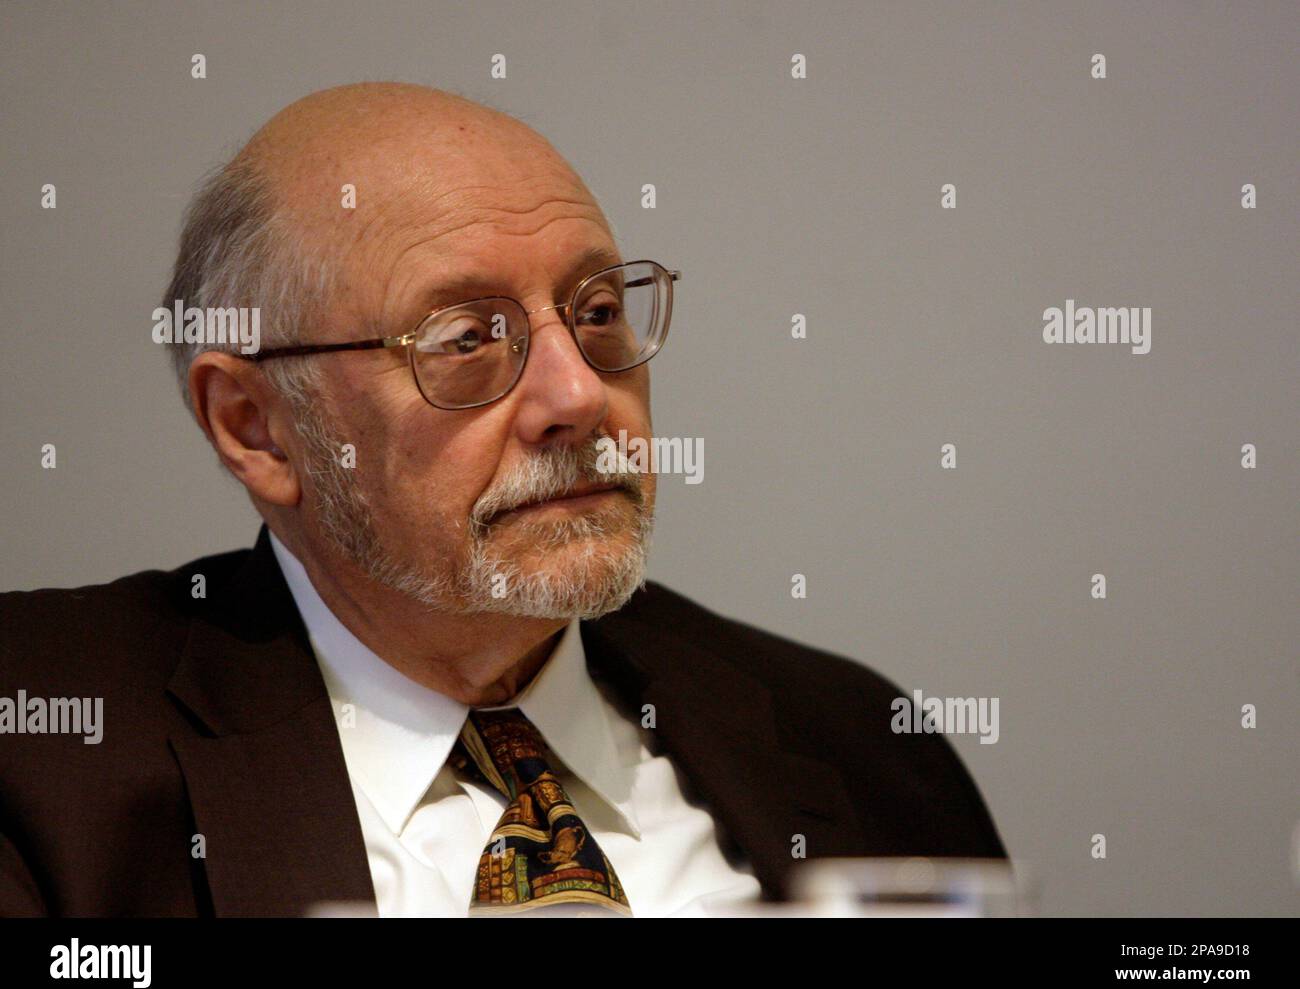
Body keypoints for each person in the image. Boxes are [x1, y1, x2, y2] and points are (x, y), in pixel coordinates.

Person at [0, 83, 1004, 917]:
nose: (576, 396)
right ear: (257, 426)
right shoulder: (42, 747)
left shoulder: (856, 739)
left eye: (598, 312)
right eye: (466, 339)